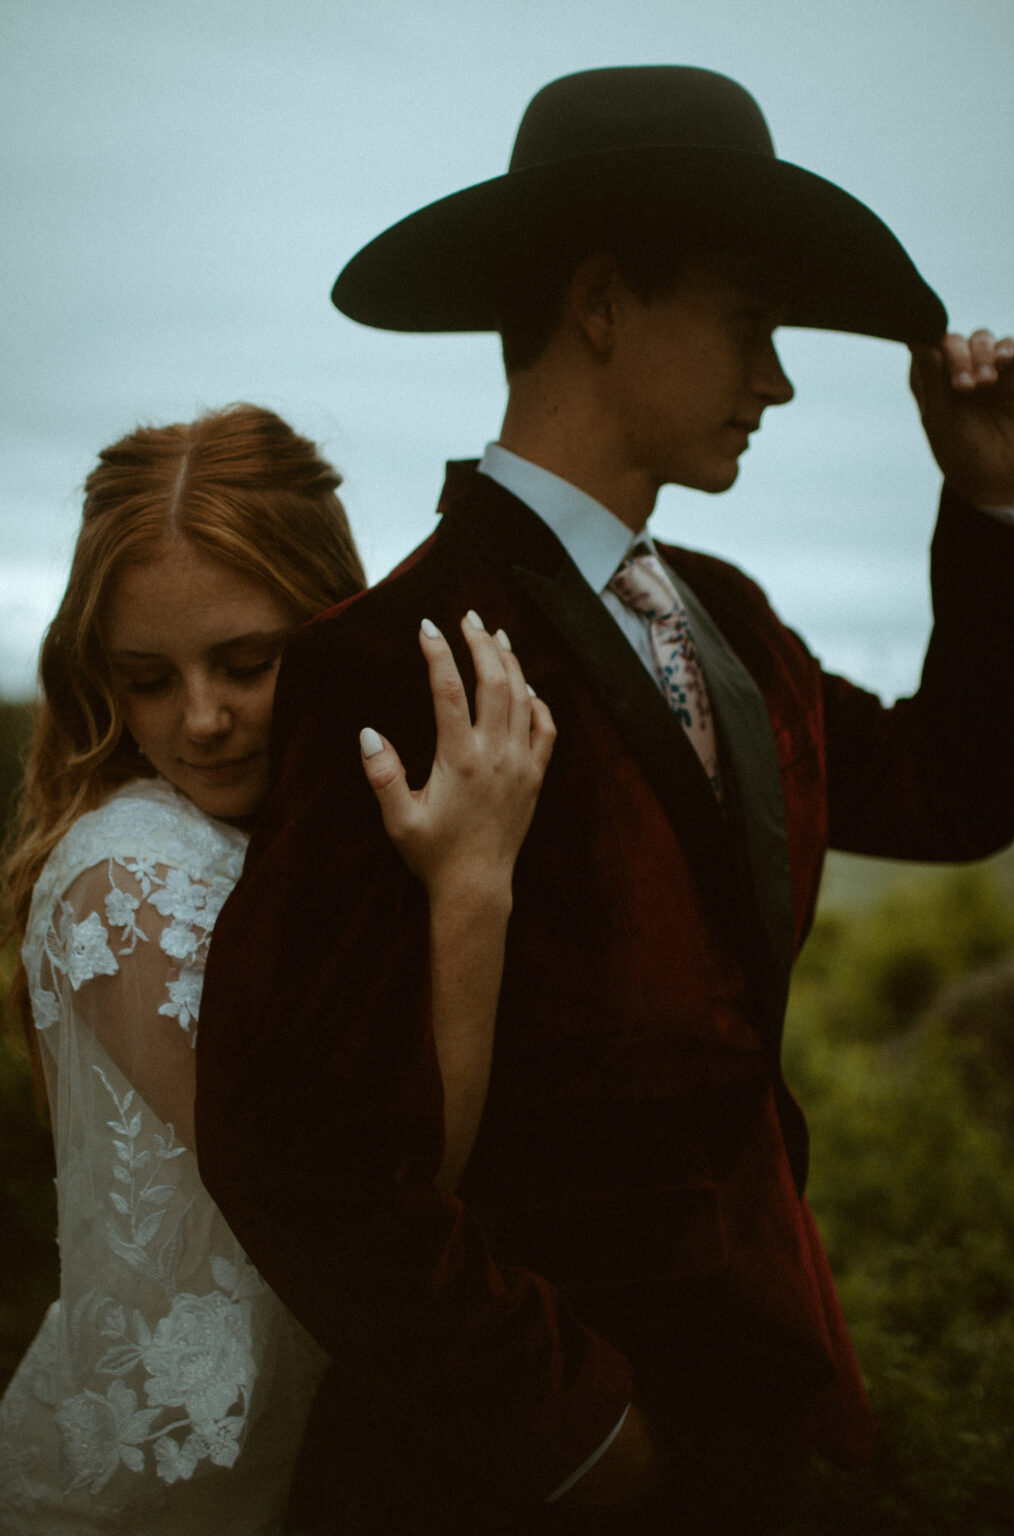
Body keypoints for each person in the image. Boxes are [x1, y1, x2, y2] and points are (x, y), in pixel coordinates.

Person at [193, 68, 1014, 1536]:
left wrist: (993, 501)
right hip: (518, 1471)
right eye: (749, 320)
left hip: (747, 1422)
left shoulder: (733, 619)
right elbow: (296, 1144)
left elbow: (960, 796)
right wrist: (572, 1432)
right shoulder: (391, 660)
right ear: (598, 301)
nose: (776, 379)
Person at [0, 403, 555, 1534]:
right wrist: (472, 885)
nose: (200, 720)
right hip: (147, 1507)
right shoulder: (136, 876)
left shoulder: (299, 840)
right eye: (146, 679)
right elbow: (375, 1189)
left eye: (247, 663)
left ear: (331, 620)